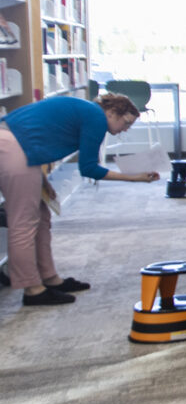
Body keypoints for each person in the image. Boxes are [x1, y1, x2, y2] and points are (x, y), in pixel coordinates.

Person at [0, 93, 161, 307]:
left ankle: (50, 279)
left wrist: (42, 181)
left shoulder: (87, 111)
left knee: (42, 217)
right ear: (111, 113)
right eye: (126, 122)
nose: (126, 129)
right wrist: (135, 177)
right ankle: (32, 290)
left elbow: (37, 135)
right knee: (24, 222)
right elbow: (89, 168)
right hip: (13, 149)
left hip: (17, 145)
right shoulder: (96, 117)